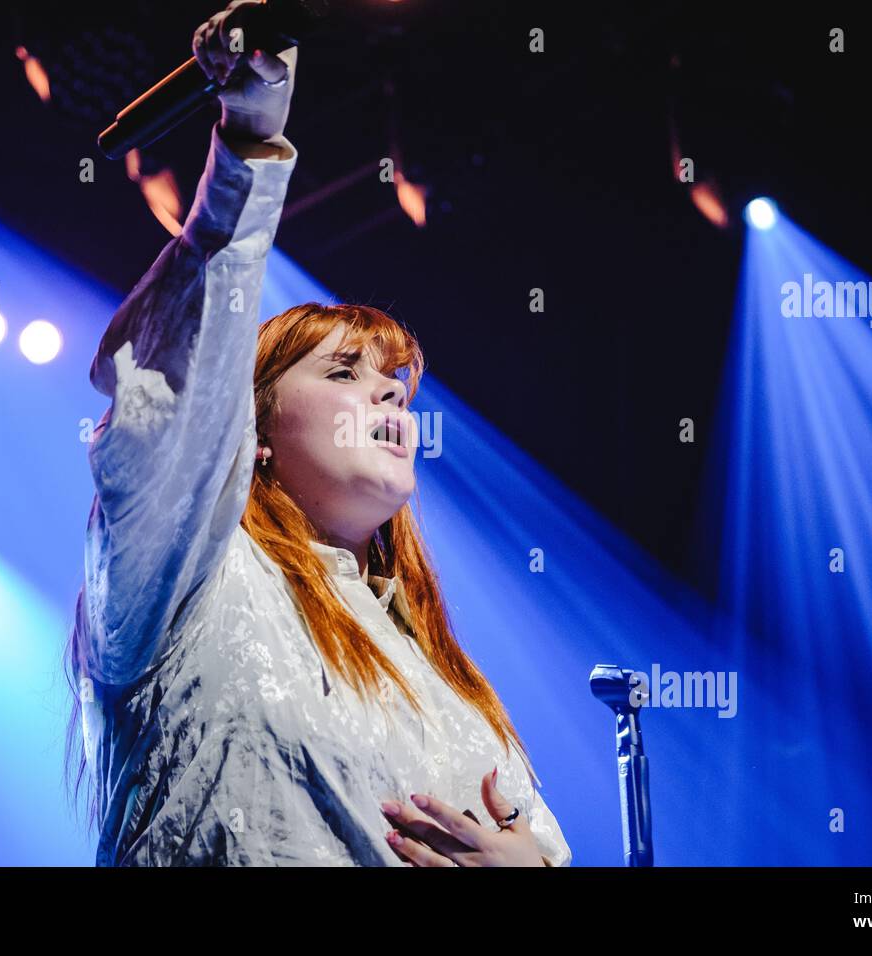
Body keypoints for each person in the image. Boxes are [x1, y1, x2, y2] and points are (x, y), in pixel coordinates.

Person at [65, 0, 571, 867]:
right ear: (250, 430)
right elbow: (180, 379)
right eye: (343, 374)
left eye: (395, 389)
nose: (386, 402)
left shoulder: (439, 664)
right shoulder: (190, 579)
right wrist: (249, 146)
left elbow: (538, 839)